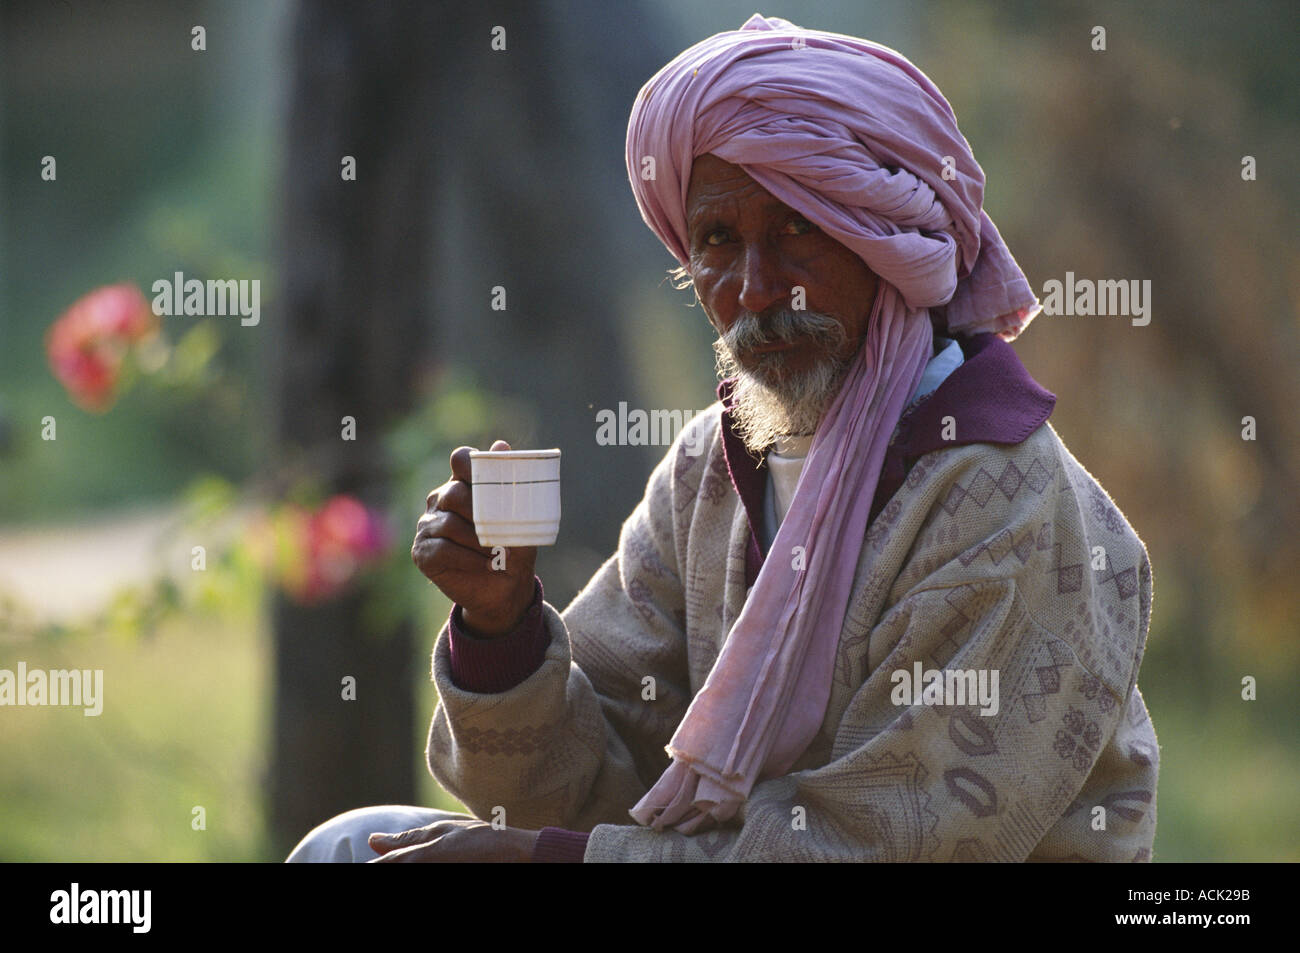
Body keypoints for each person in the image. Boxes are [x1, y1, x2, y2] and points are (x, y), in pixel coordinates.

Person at [287, 13, 1158, 863]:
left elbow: (875, 845)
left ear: (890, 239)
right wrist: (499, 625)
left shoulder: (1003, 497)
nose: (754, 286)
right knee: (347, 849)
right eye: (716, 239)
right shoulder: (714, 465)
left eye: (797, 229)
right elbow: (579, 790)